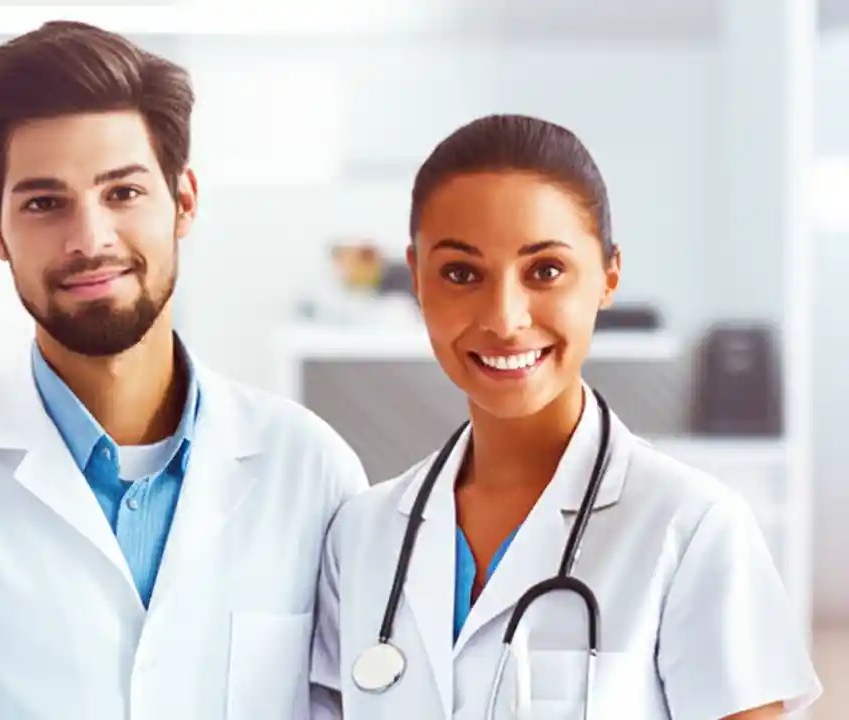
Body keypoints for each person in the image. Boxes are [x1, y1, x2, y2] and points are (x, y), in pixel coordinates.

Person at [0, 20, 368, 719]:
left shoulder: (312, 472)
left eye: (124, 193)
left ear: (185, 201)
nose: (90, 239)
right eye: (45, 203)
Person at [310, 114, 822, 719]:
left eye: (545, 271)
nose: (505, 317)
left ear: (609, 275)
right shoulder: (361, 537)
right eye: (460, 273)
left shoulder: (692, 528)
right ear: (417, 279)